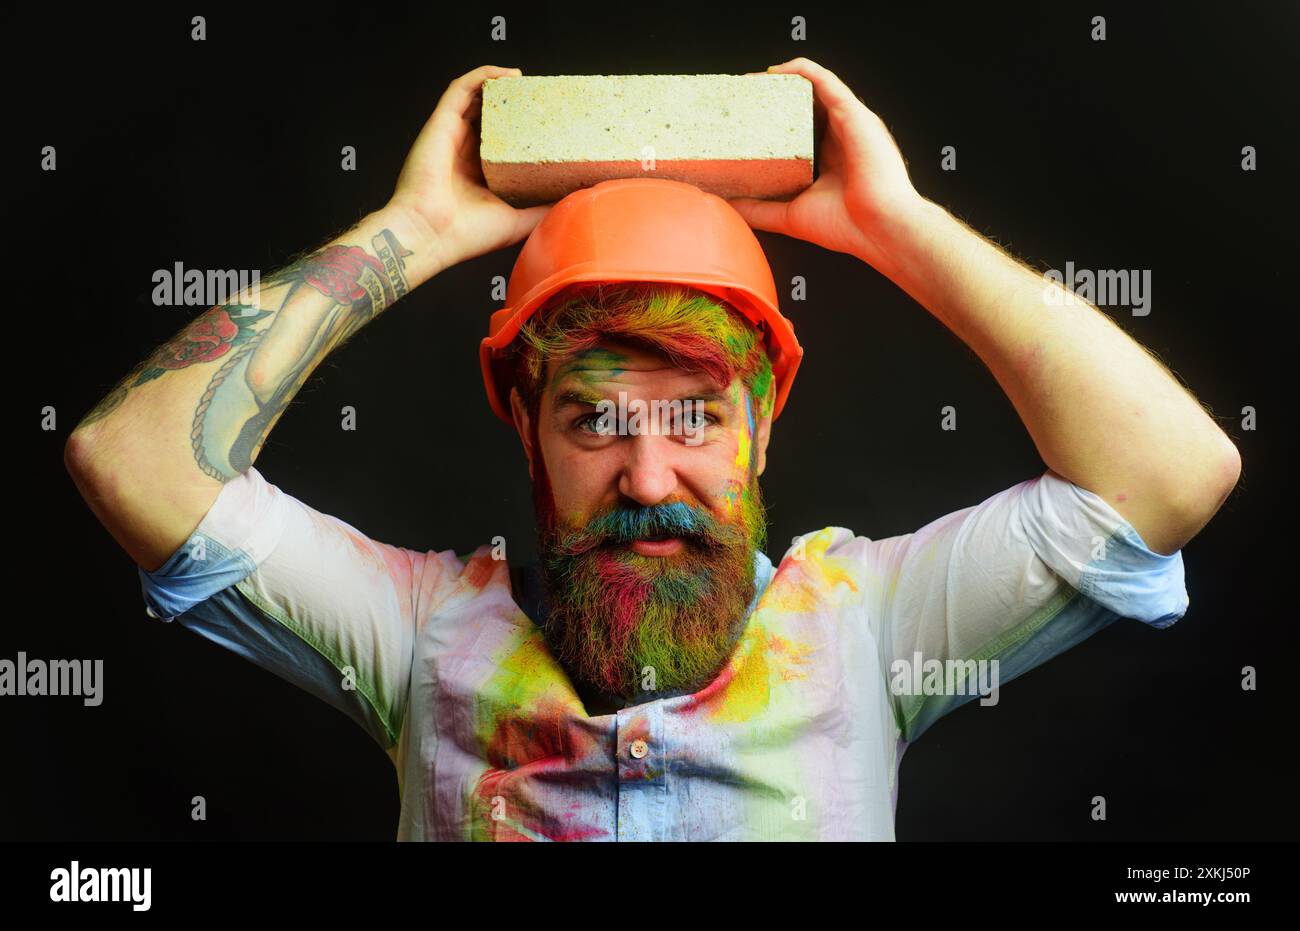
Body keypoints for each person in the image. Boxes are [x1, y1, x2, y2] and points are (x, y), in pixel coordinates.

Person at [64, 59, 1241, 841]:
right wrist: (409, 231)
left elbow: (1169, 473)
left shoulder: (873, 629)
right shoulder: (420, 640)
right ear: (522, 423)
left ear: (763, 422)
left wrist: (899, 228)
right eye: (592, 419)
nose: (646, 478)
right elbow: (136, 459)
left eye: (696, 416)